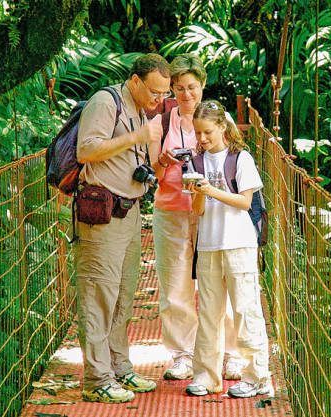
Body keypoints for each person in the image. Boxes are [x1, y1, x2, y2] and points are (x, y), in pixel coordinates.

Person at [75, 53, 170, 404]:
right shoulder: (106, 101)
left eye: (164, 94)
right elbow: (87, 150)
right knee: (99, 295)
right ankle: (97, 380)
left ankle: (119, 367)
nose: (159, 100)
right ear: (134, 81)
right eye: (155, 92)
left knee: (123, 295)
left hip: (129, 212)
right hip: (101, 214)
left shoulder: (139, 109)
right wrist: (137, 138)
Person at [149, 54, 245, 381]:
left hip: (213, 213)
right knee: (175, 282)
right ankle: (183, 355)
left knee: (220, 281)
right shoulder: (161, 123)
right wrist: (163, 161)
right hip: (171, 211)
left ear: (203, 85)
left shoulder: (221, 120)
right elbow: (150, 172)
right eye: (179, 88)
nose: (186, 94)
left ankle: (231, 353)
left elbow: (236, 164)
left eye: (192, 87)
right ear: (171, 89)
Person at [183, 100, 272, 398]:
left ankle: (257, 377)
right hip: (208, 244)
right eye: (198, 133)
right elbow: (199, 210)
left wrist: (211, 190)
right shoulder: (195, 163)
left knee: (245, 310)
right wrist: (197, 193)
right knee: (208, 313)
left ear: (222, 127)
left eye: (207, 132)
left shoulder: (241, 158)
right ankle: (206, 376)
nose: (202, 139)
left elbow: (245, 202)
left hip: (239, 242)